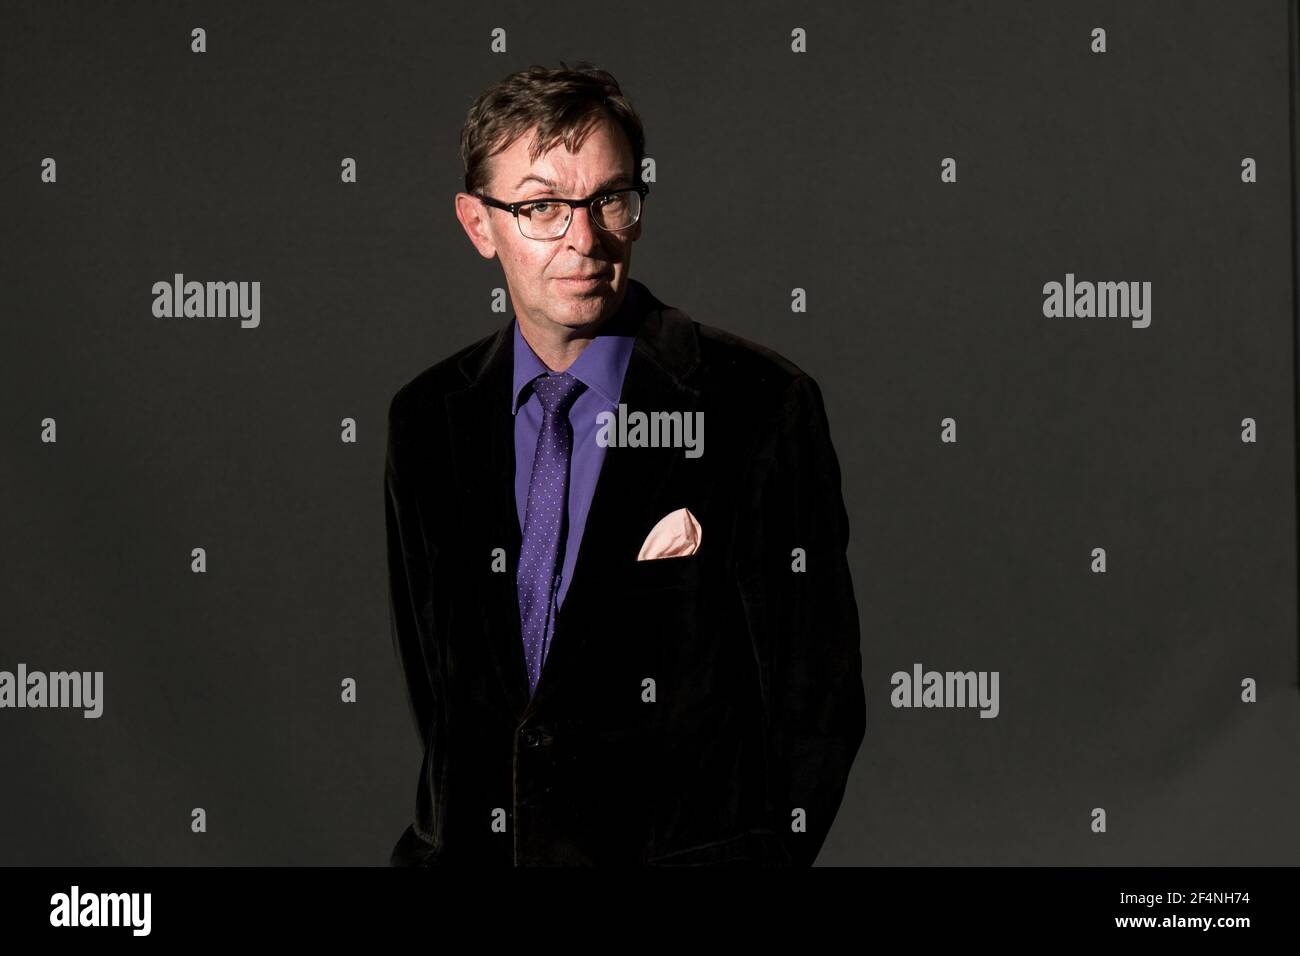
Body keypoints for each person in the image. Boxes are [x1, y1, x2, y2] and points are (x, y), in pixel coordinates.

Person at [385, 62, 865, 866]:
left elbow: (817, 706)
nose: (585, 238)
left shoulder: (756, 406)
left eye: (610, 199)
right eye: (541, 206)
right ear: (478, 225)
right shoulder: (428, 420)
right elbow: (442, 700)